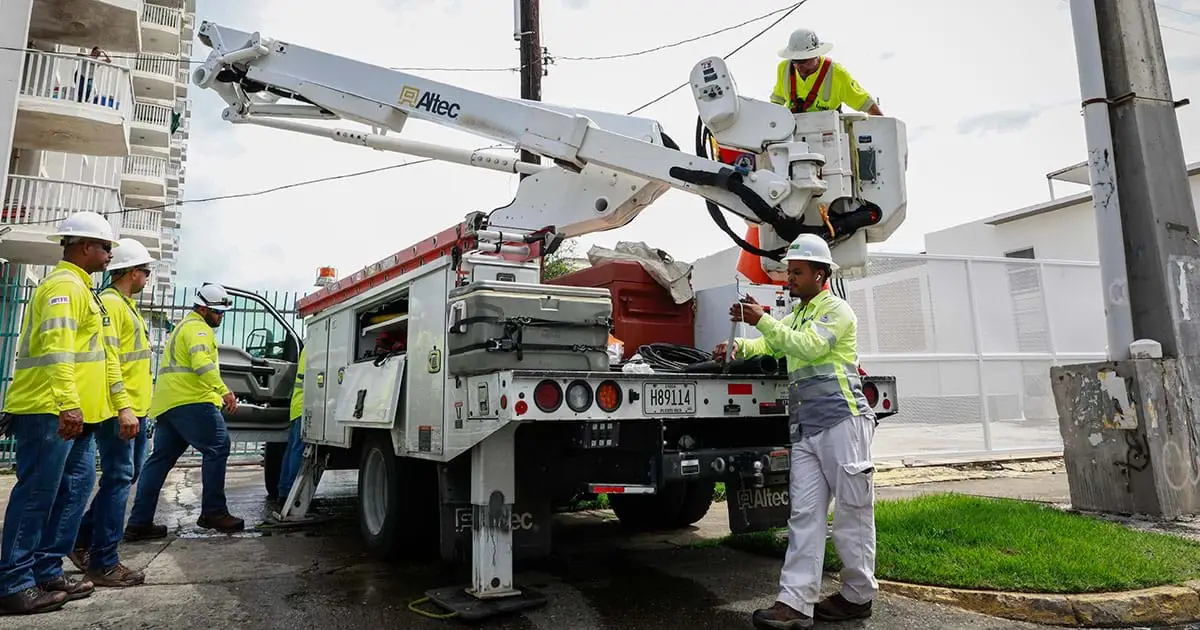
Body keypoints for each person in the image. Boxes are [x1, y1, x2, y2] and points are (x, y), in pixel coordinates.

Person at [714, 234, 877, 629]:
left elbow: (806, 347)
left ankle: (858, 596)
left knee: (853, 512)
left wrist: (763, 320)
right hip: (805, 428)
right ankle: (794, 603)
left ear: (820, 274)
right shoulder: (797, 315)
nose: (790, 277)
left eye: (797, 271)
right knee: (804, 514)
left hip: (842, 420)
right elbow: (773, 345)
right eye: (789, 270)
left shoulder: (837, 312)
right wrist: (737, 348)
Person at [0, 212, 135, 615]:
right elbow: (58, 349)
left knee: (72, 490)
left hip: (74, 415)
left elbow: (102, 356)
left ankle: (45, 570)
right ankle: (13, 581)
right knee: (37, 494)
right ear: (83, 247)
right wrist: (67, 403)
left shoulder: (85, 290)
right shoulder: (63, 286)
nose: (111, 255)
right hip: (49, 408)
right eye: (106, 247)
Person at [67, 239, 157, 587]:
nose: (148, 278)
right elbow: (110, 362)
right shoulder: (110, 304)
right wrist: (123, 408)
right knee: (118, 479)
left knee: (124, 477)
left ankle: (82, 539)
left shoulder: (126, 305)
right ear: (133, 272)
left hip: (135, 408)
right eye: (146, 272)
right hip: (123, 409)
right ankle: (103, 561)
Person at [124, 283, 245, 539]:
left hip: (170, 404)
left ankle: (139, 523)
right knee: (218, 446)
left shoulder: (183, 326)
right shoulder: (198, 329)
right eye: (217, 312)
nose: (221, 317)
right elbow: (201, 364)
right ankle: (213, 511)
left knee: (159, 461)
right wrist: (223, 390)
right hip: (192, 400)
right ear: (202, 308)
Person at [770, 28, 883, 116]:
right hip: (795, 135)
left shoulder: (837, 74)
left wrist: (885, 130)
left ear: (816, 55)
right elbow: (776, 101)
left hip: (828, 134)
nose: (798, 66)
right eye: (795, 61)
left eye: (803, 61)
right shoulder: (784, 69)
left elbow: (865, 103)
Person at [275, 345, 307, 506]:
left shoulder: (308, 344)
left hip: (297, 405)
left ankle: (284, 491)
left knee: (291, 450)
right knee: (298, 451)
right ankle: (292, 494)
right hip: (305, 405)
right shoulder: (315, 345)